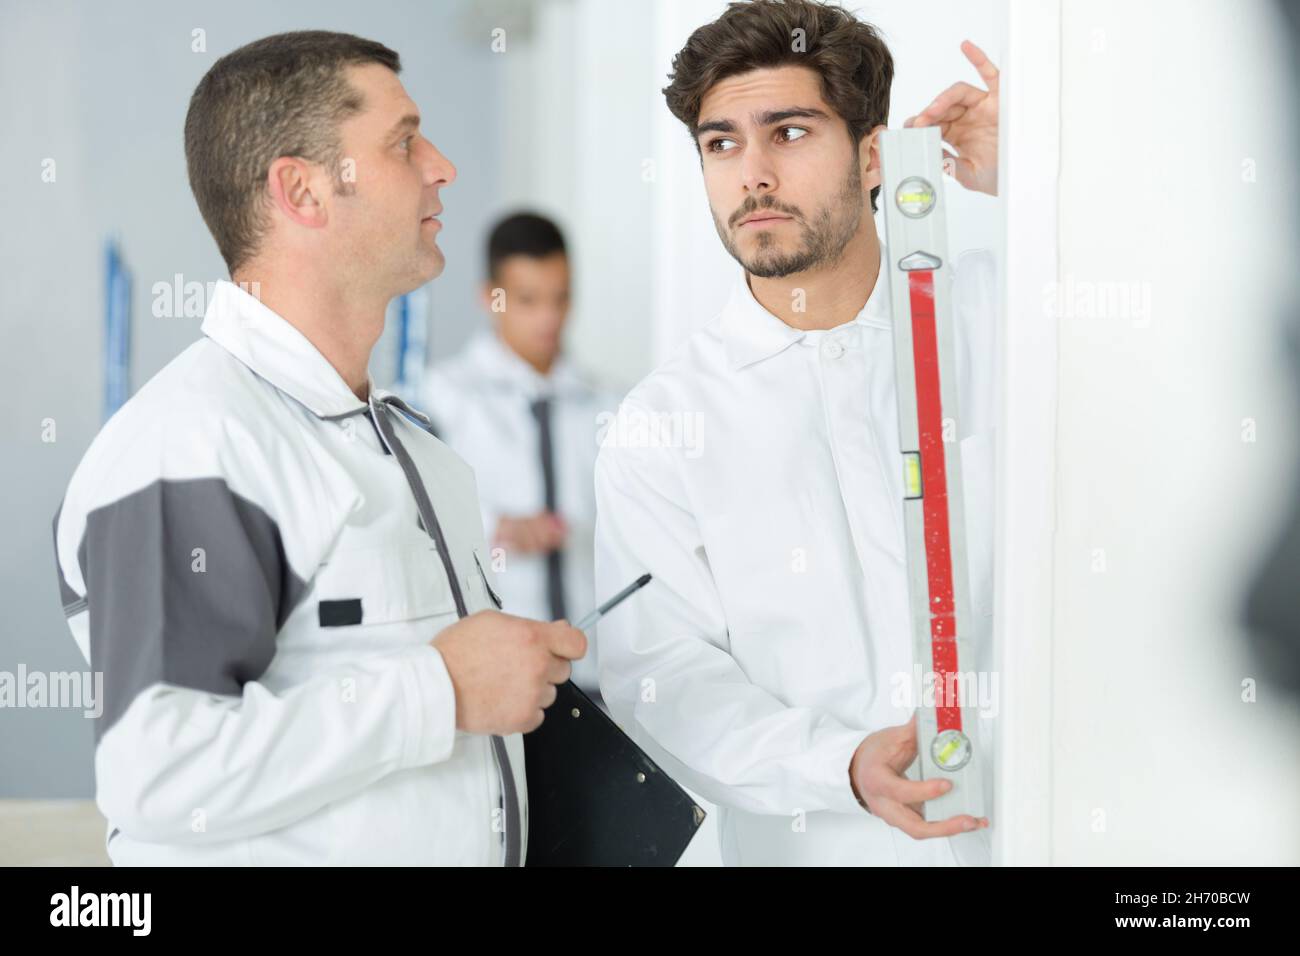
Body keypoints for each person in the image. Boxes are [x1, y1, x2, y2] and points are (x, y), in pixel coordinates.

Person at [50, 30, 585, 866]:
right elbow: (159, 772)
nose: (441, 166)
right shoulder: (190, 447)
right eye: (405, 142)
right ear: (301, 190)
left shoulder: (419, 455)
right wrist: (438, 689)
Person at [594, 0, 999, 866]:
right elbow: (661, 677)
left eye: (789, 132)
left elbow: (1186, 350)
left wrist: (1040, 185)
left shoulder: (1001, 327)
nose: (753, 176)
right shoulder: (663, 425)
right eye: (722, 143)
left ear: (874, 152)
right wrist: (838, 766)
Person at [421, 213, 614, 697]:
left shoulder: (608, 404)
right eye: (528, 300)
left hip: (595, 676)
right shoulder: (443, 397)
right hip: (495, 675)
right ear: (490, 298)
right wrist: (497, 528)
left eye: (561, 298)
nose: (549, 318)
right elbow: (415, 515)